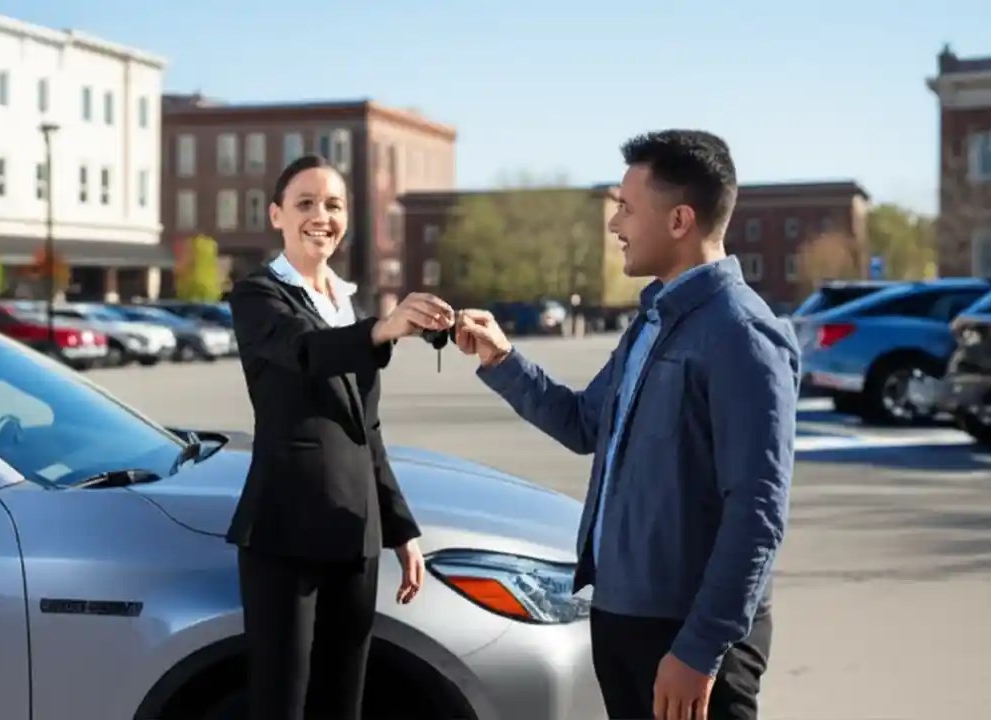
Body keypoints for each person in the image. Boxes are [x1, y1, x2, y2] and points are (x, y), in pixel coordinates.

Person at [455, 130, 799, 720]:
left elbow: (758, 511)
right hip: (623, 620)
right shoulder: (651, 322)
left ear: (680, 220)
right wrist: (501, 360)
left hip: (688, 638)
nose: (614, 224)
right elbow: (584, 423)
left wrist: (699, 649)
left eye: (627, 209)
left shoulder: (743, 335)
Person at [226, 153, 456, 720]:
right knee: (282, 702)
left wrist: (400, 529)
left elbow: (365, 429)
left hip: (355, 535)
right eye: (305, 203)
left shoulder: (345, 301)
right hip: (285, 532)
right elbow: (306, 352)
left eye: (333, 205)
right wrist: (382, 328)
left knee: (342, 702)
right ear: (277, 215)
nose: (320, 216)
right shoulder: (258, 295)